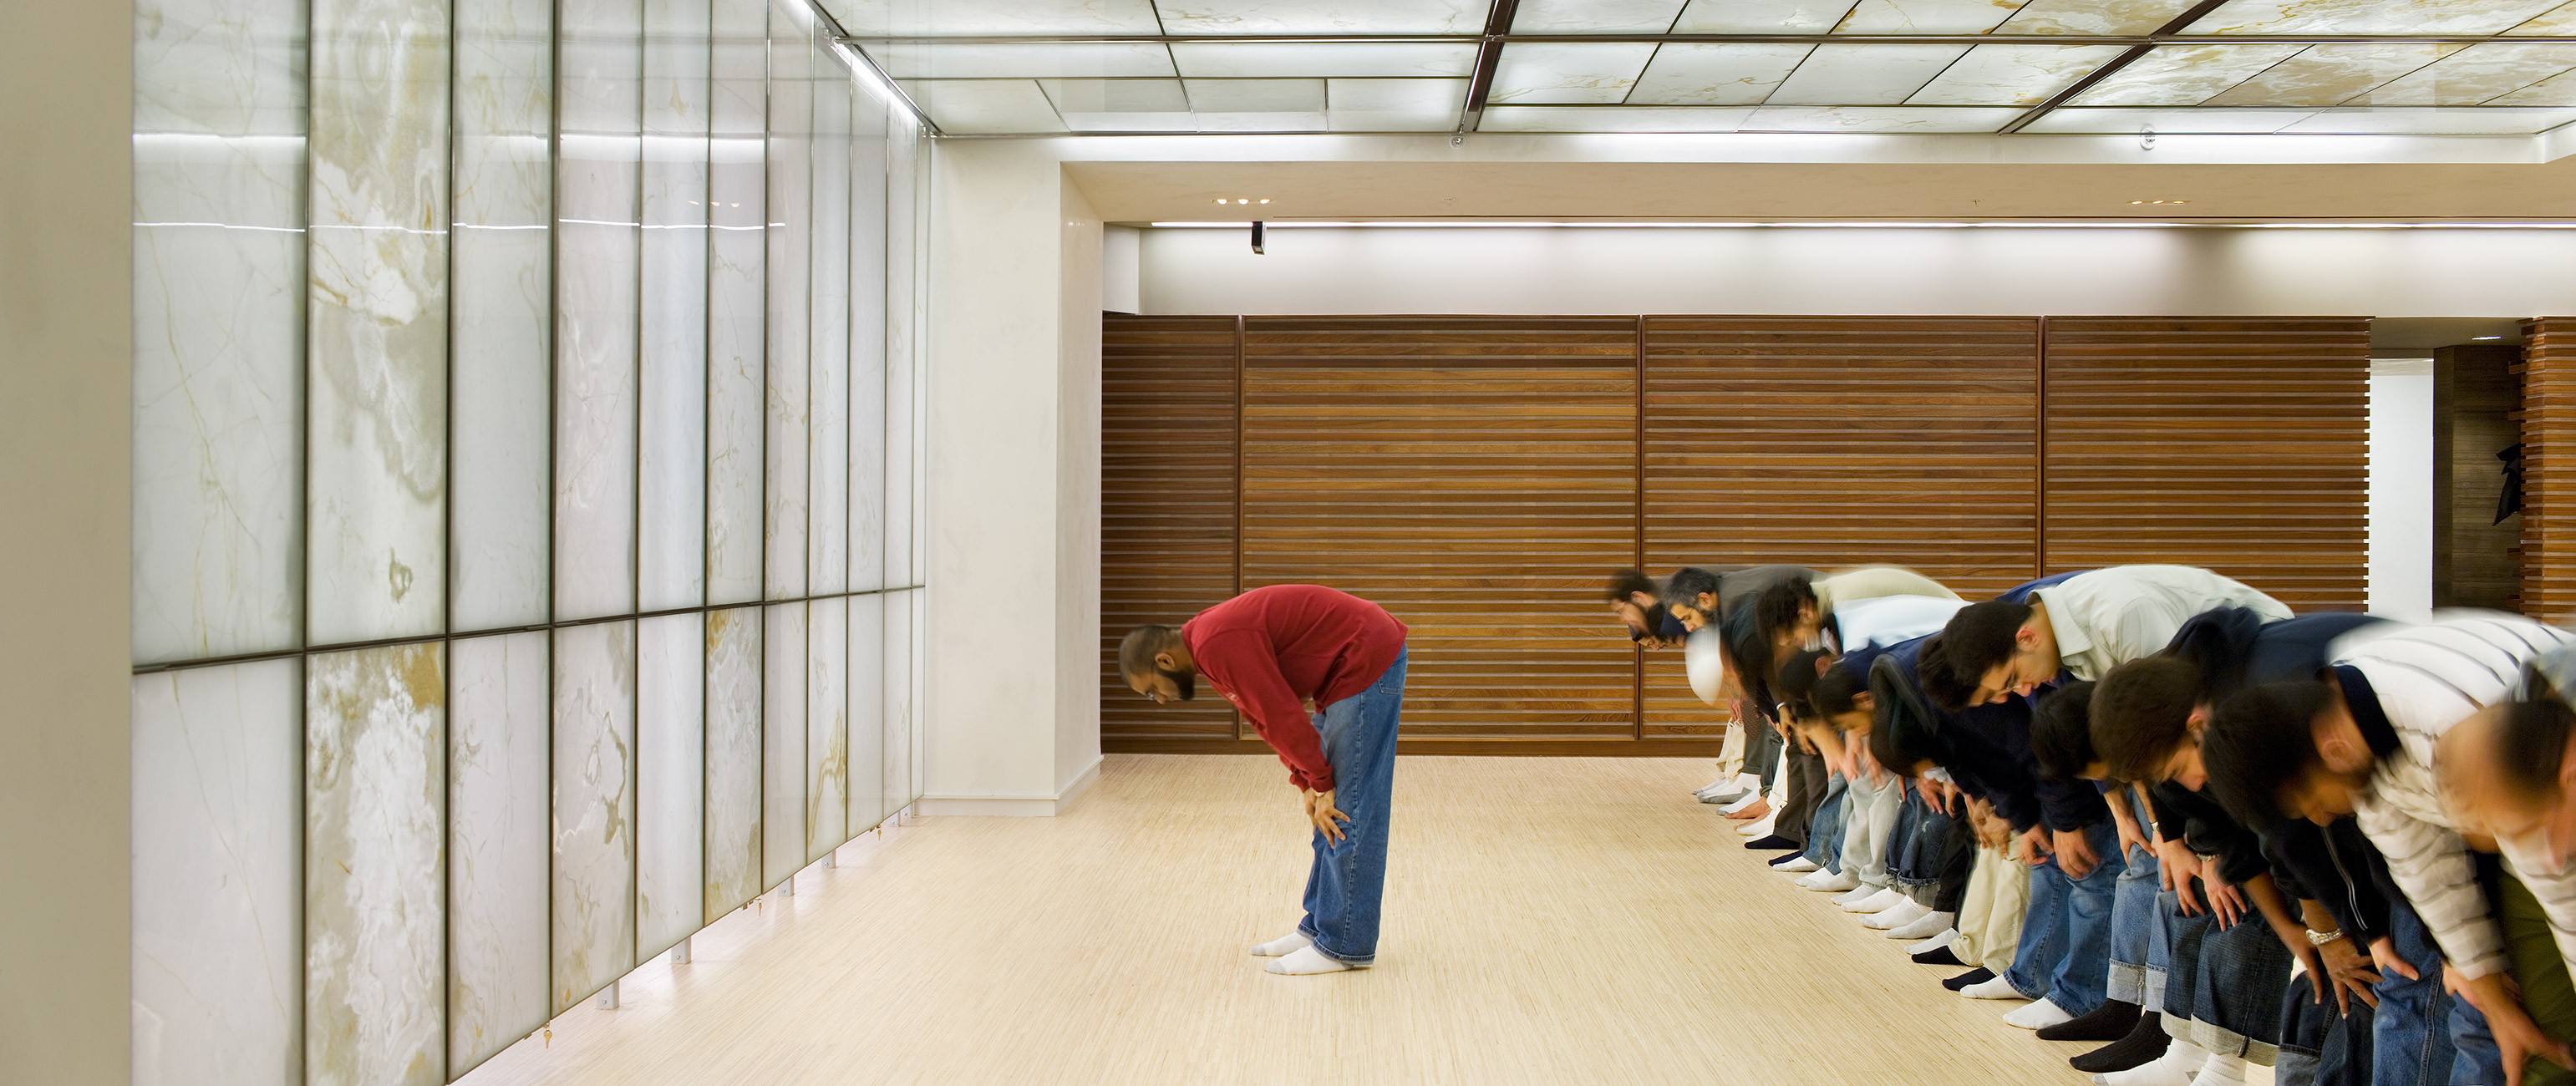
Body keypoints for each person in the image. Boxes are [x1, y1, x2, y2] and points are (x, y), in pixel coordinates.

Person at [2200, 612, 2576, 1086]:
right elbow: (2429, 876)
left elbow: (2562, 883)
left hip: (2552, 803)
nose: (2322, 820)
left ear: (2332, 751)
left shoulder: (2462, 727)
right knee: (2517, 1031)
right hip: (2534, 822)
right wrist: (2494, 1001)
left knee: (2547, 1026)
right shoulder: (2354, 731)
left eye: (2313, 803)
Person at [1119, 584, 1410, 977]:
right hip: (1344, 668)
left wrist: (1322, 784)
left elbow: (1281, 714)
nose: (1162, 700)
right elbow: (1264, 719)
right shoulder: (1207, 649)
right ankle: (1318, 928)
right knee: (1327, 813)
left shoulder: (1216, 643)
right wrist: (1306, 781)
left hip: (1364, 657)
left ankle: (1344, 944)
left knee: (1348, 807)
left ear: (1165, 661)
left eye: (1153, 691)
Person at [1923, 565, 2294, 710]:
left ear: (2027, 638)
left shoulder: (2118, 616)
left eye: (2014, 679)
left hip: (2272, 662)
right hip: (2221, 688)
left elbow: (2180, 713)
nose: (2023, 691)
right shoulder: (2063, 641)